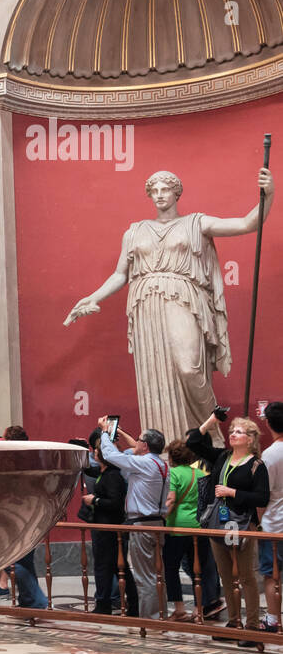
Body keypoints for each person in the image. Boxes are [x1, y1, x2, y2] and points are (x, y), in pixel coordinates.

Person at [65, 168, 274, 447]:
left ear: (177, 193)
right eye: (155, 191)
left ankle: (209, 437)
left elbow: (248, 224)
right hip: (145, 304)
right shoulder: (135, 231)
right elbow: (121, 274)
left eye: (166, 189)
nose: (160, 195)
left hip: (182, 297)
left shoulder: (196, 223)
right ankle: (164, 447)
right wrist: (93, 297)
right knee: (156, 378)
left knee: (189, 368)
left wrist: (268, 194)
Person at [186, 412, 269, 645]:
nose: (233, 434)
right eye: (232, 430)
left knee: (246, 577)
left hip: (243, 524)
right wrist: (212, 420)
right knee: (225, 575)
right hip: (219, 522)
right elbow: (193, 442)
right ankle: (233, 623)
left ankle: (251, 626)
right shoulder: (223, 456)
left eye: (239, 431)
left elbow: (262, 498)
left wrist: (232, 493)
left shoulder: (256, 465)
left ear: (250, 439)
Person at [98, 418, 169, 621]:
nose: (135, 442)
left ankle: (150, 619)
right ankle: (160, 614)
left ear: (145, 445)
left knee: (144, 577)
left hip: (142, 524)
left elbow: (110, 455)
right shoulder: (160, 463)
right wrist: (121, 432)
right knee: (156, 575)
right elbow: (133, 448)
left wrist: (105, 432)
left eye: (139, 440)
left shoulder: (144, 464)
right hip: (157, 523)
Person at [160, 440, 220, 622]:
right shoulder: (200, 473)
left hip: (176, 527)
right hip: (198, 527)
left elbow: (170, 500)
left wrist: (161, 515)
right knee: (198, 570)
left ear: (171, 457)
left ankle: (179, 609)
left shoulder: (173, 474)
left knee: (170, 569)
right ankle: (198, 609)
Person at [81, 427, 128, 614]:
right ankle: (104, 601)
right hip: (104, 526)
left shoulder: (113, 475)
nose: (94, 452)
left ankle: (105, 603)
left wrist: (95, 500)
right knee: (112, 566)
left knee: (111, 566)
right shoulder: (104, 472)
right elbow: (88, 469)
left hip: (108, 526)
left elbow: (116, 503)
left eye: (96, 450)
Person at [260, 402, 283, 631]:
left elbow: (262, 495)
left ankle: (274, 619)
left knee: (271, 575)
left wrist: (258, 522)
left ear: (268, 423)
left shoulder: (269, 455)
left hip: (274, 522)